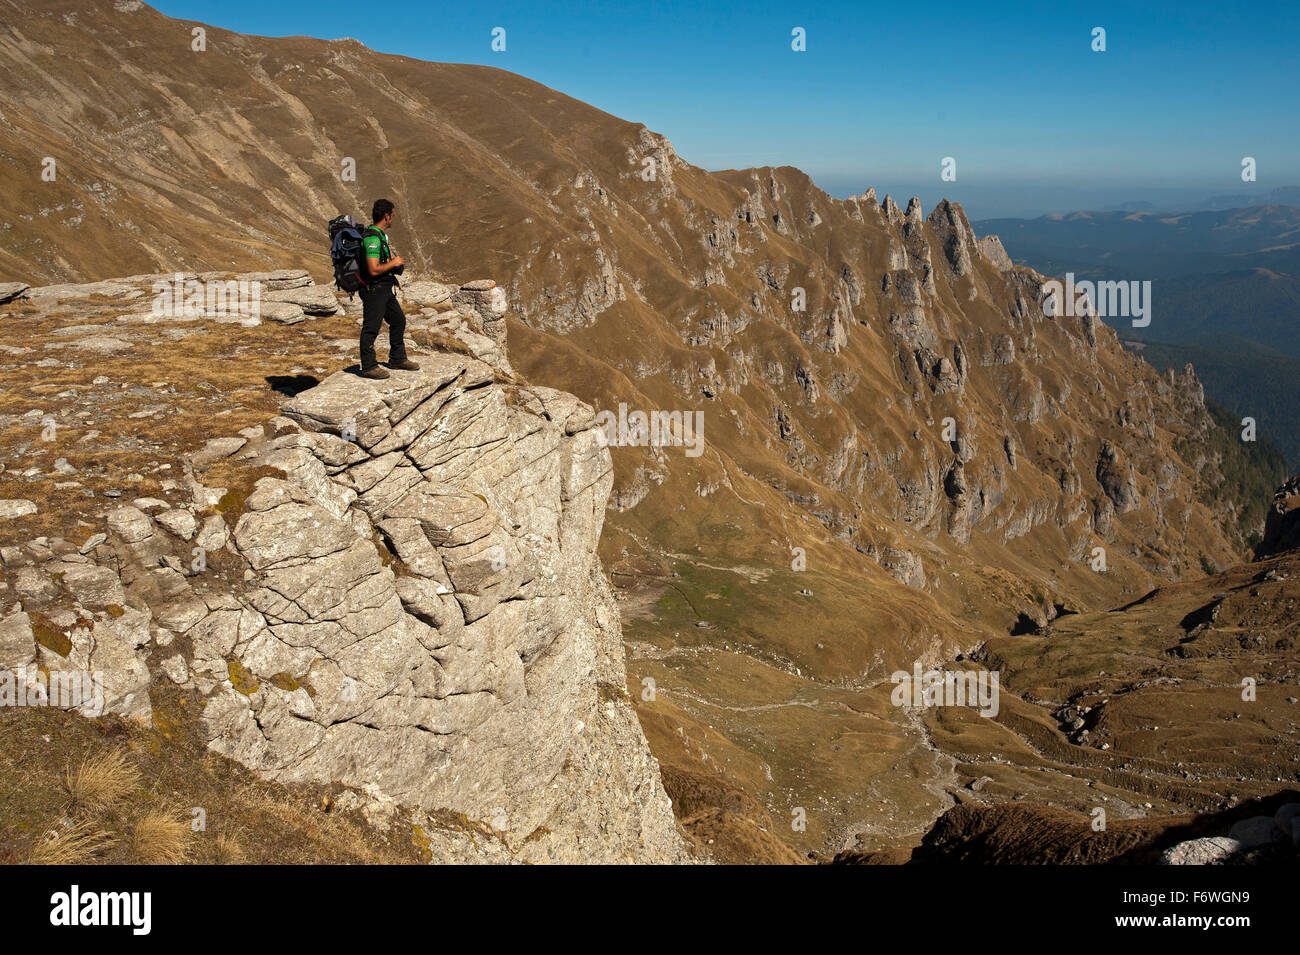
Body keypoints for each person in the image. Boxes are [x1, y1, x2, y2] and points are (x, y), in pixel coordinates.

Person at [358, 198, 420, 379]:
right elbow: (373, 268)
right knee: (371, 327)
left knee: (398, 320)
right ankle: (368, 365)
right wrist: (394, 262)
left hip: (384, 288)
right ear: (387, 216)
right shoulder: (372, 239)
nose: (393, 218)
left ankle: (397, 358)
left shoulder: (379, 236)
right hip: (374, 290)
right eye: (392, 215)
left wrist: (392, 273)